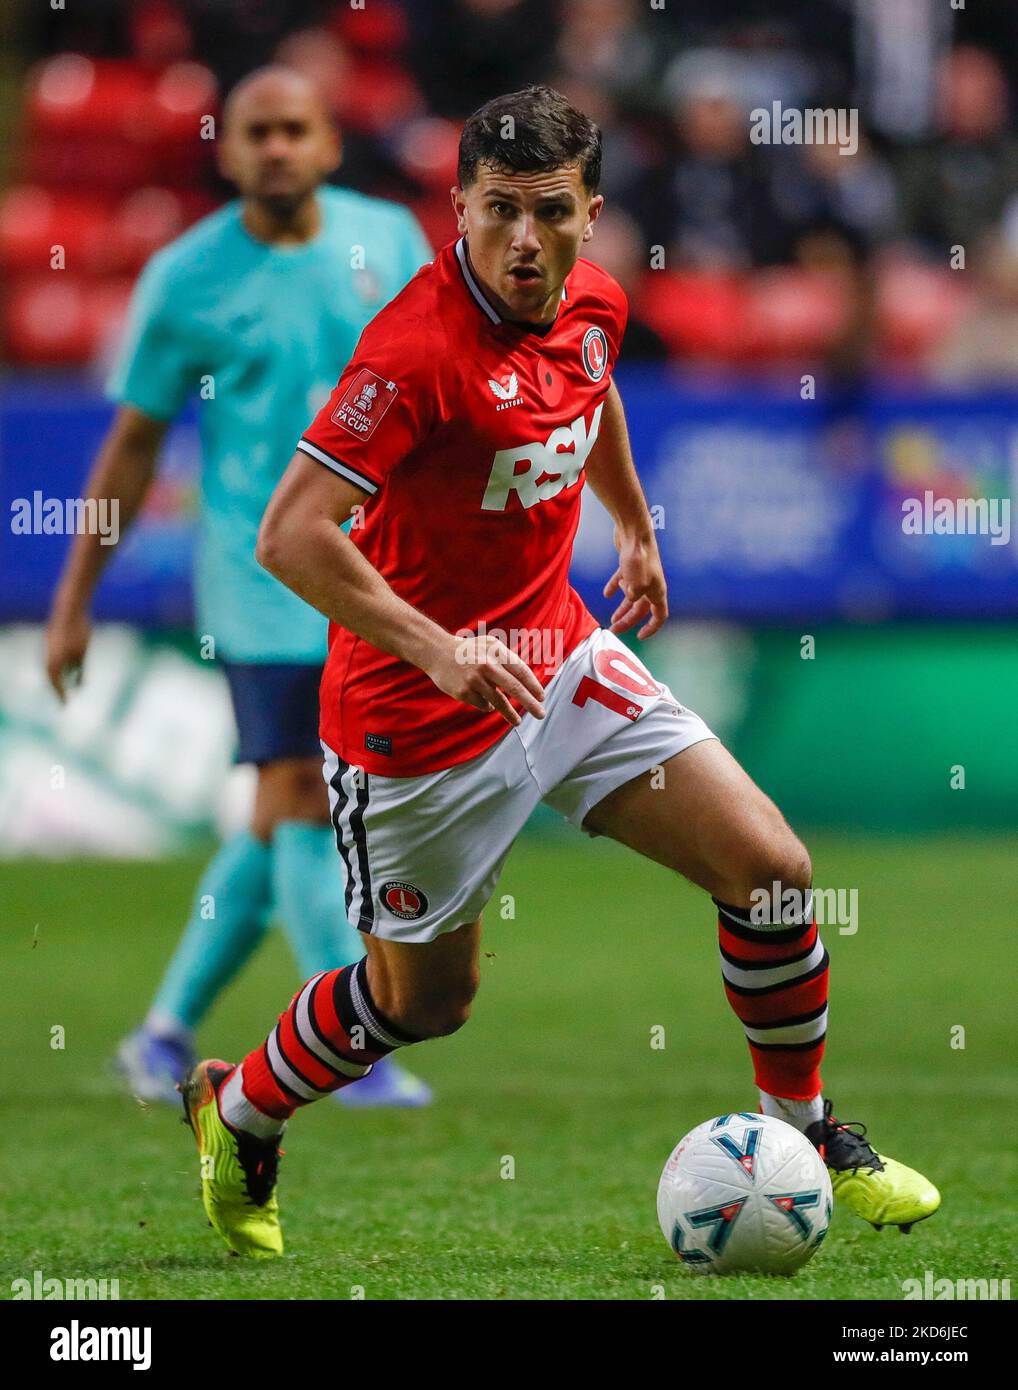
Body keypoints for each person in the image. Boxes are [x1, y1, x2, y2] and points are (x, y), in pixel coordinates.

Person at [178, 84, 939, 1257]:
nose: (521, 242)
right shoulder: (412, 350)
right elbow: (288, 534)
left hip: (557, 656)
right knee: (419, 1006)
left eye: (547, 213)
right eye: (495, 213)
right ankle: (238, 1110)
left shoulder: (594, 297)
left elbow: (593, 383)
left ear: (590, 211)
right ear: (460, 208)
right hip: (413, 721)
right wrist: (438, 645)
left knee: (774, 873)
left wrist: (631, 521)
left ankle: (805, 1135)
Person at [45, 67, 433, 1109]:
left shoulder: (388, 244)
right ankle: (348, 1045)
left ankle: (163, 1030)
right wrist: (76, 597)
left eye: (293, 129)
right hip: (260, 578)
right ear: (227, 149)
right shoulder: (185, 276)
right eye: (256, 132)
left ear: (327, 141)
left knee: (279, 816)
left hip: (377, 571)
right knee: (301, 794)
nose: (274, 148)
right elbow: (133, 443)